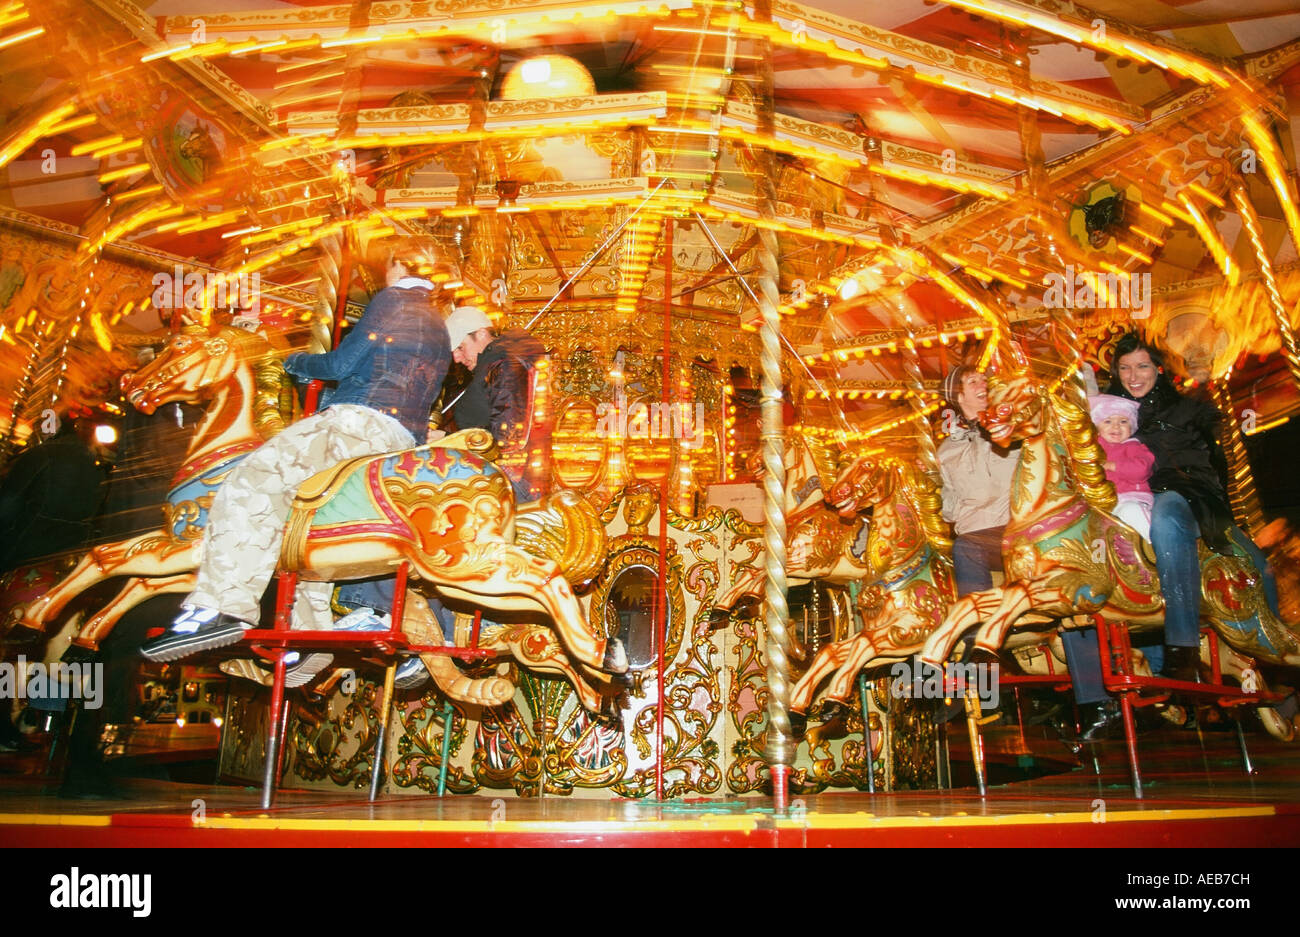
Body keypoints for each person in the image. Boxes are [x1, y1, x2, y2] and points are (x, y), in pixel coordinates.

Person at [140, 243, 453, 683]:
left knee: (250, 480)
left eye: (386, 265)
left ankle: (222, 606)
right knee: (309, 521)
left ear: (400, 265)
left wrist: (293, 361)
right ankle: (309, 634)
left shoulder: (394, 298)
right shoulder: (438, 322)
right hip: (400, 436)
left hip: (358, 420)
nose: (384, 273)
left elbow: (339, 364)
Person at [1104, 332, 1280, 682]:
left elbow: (1220, 445)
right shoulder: (1110, 412)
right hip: (1130, 497)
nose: (1133, 376)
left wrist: (1205, 388)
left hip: (1185, 493)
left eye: (1142, 366)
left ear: (1158, 368)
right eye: (1125, 368)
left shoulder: (1185, 407)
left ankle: (1183, 645)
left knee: (1176, 524)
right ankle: (1143, 662)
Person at [443, 306, 545, 502]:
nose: (456, 357)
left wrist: (449, 439)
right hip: (507, 473)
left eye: (461, 347)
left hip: (508, 477)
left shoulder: (505, 364)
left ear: (481, 334)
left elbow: (507, 436)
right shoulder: (495, 364)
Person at [937, 365, 1018, 596]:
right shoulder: (946, 450)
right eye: (973, 381)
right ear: (958, 396)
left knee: (966, 546)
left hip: (1016, 525)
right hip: (977, 533)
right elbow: (949, 509)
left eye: (985, 380)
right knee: (964, 545)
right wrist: (931, 484)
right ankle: (975, 621)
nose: (984, 384)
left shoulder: (1011, 429)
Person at [1089, 394, 1154, 541]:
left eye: (1123, 421)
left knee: (1130, 512)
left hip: (1130, 497)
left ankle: (1155, 544)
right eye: (1108, 421)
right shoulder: (1094, 447)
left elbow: (1141, 469)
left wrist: (1113, 466)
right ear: (1097, 427)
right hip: (1102, 502)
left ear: (1131, 428)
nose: (1116, 426)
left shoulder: (1133, 446)